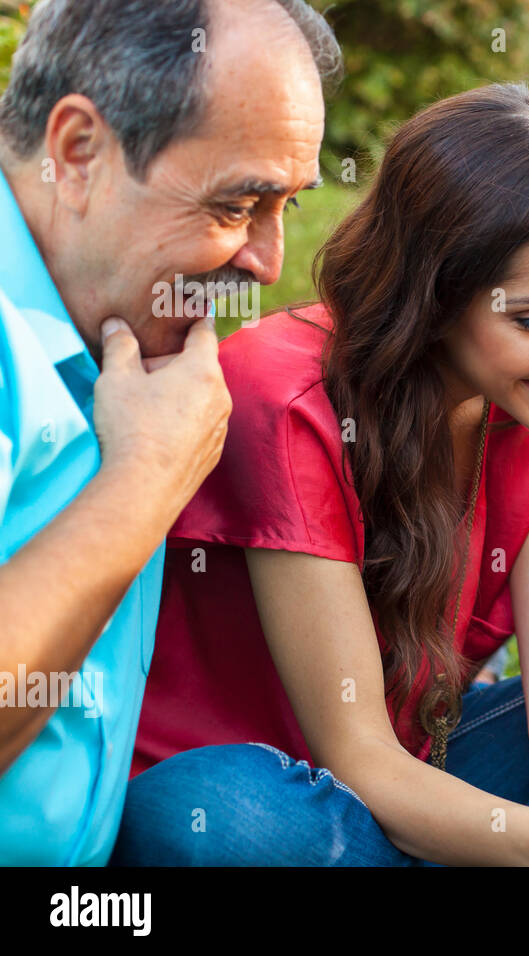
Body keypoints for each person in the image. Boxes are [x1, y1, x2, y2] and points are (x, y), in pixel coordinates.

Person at [113, 84, 529, 867]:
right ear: (430, 299)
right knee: (224, 816)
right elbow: (355, 757)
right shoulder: (287, 400)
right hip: (268, 790)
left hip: (421, 766)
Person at [0, 0, 336, 865]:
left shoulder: (125, 322)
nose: (267, 258)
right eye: (238, 204)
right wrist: (145, 481)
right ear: (79, 153)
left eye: (287, 205)